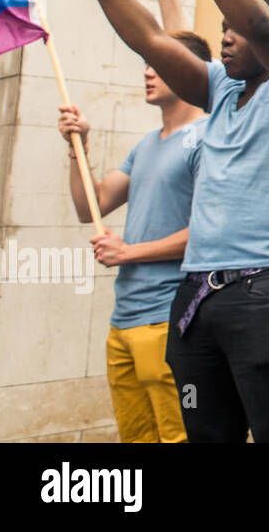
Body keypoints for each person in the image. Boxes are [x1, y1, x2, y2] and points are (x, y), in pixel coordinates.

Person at [51, 0, 269, 443]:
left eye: (233, 31)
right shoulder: (220, 90)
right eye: (222, 32)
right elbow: (148, 39)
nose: (225, 41)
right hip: (197, 300)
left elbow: (258, 24)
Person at [56, 27, 211, 443]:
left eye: (158, 63)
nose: (147, 71)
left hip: (170, 321)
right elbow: (90, 206)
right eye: (146, 62)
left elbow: (212, 229)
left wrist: (130, 252)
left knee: (183, 434)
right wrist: (78, 147)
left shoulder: (208, 138)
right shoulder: (145, 146)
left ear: (187, 70)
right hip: (123, 322)